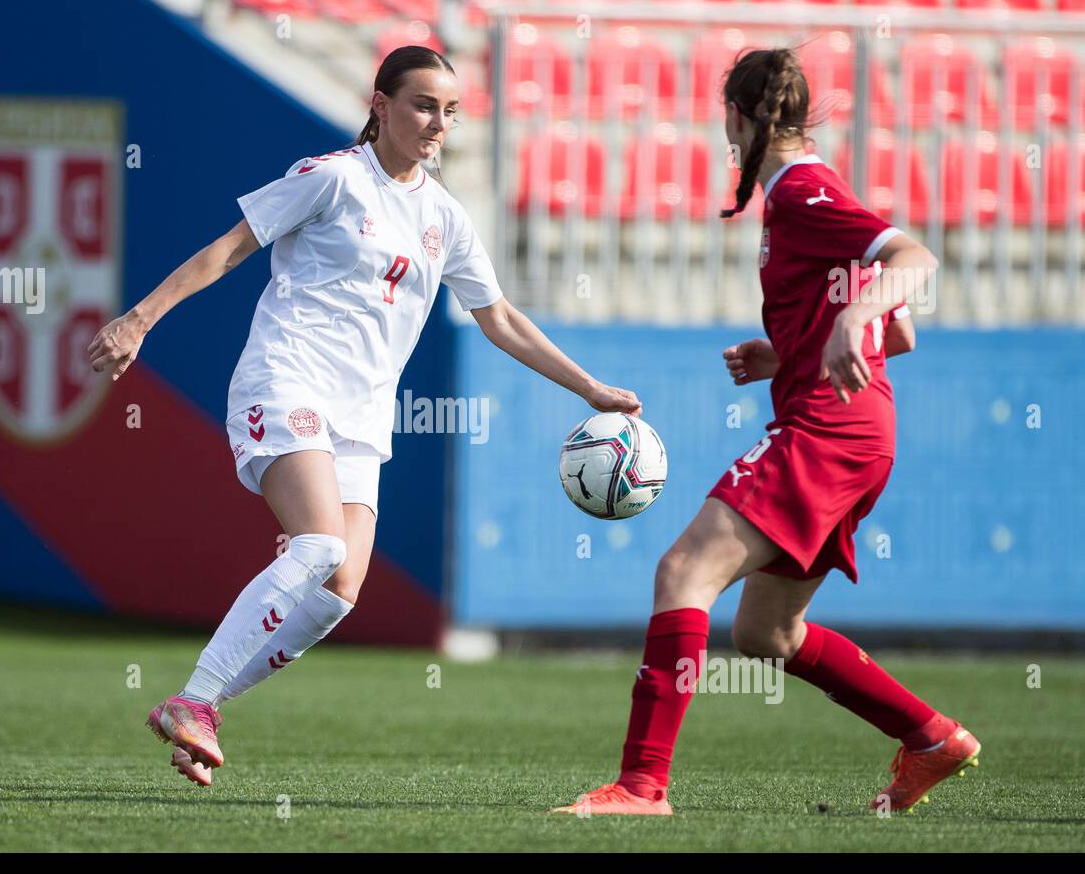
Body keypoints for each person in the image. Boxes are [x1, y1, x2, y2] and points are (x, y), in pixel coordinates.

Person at [87, 46, 641, 787]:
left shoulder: (444, 216)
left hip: (362, 417)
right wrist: (139, 319)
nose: (436, 123)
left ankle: (201, 705)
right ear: (380, 106)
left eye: (449, 111)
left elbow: (499, 317)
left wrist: (589, 388)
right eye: (421, 105)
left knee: (339, 592)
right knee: (316, 547)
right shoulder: (334, 177)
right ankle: (194, 702)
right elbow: (229, 249)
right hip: (286, 381)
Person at [552, 47, 978, 817]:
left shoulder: (805, 191)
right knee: (767, 633)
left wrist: (849, 318)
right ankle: (931, 737)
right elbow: (902, 337)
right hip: (859, 428)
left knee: (683, 572)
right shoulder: (813, 192)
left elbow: (918, 257)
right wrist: (788, 349)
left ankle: (642, 787)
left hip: (830, 428)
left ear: (739, 118)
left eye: (726, 118)